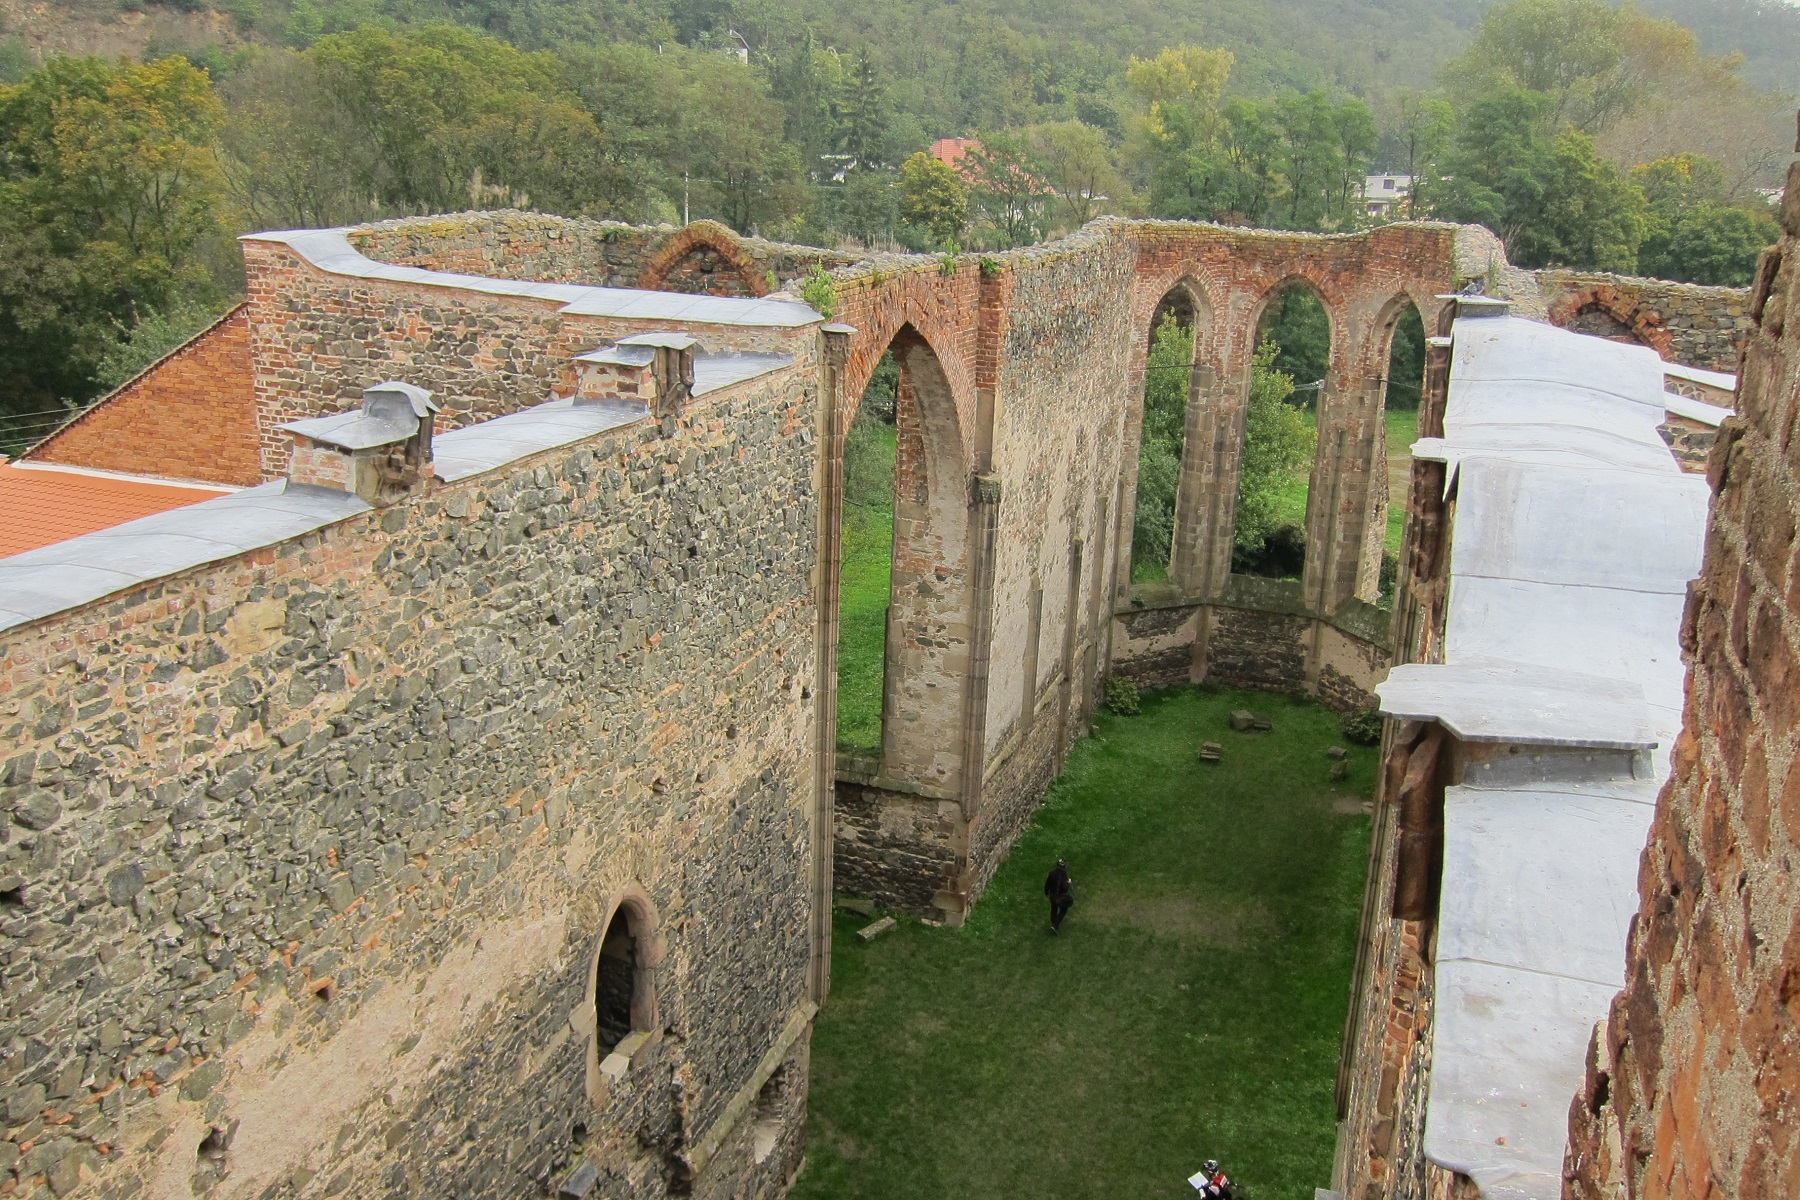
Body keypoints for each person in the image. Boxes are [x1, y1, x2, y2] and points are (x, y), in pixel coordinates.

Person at [1044, 859, 1074, 933]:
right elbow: (1064, 887)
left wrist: (1047, 893)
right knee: (1063, 910)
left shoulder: (1052, 873)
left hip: (1052, 895)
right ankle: (1055, 925)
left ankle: (1053, 924)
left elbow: (1047, 884)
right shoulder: (1064, 875)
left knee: (1054, 909)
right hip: (1060, 897)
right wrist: (1069, 883)